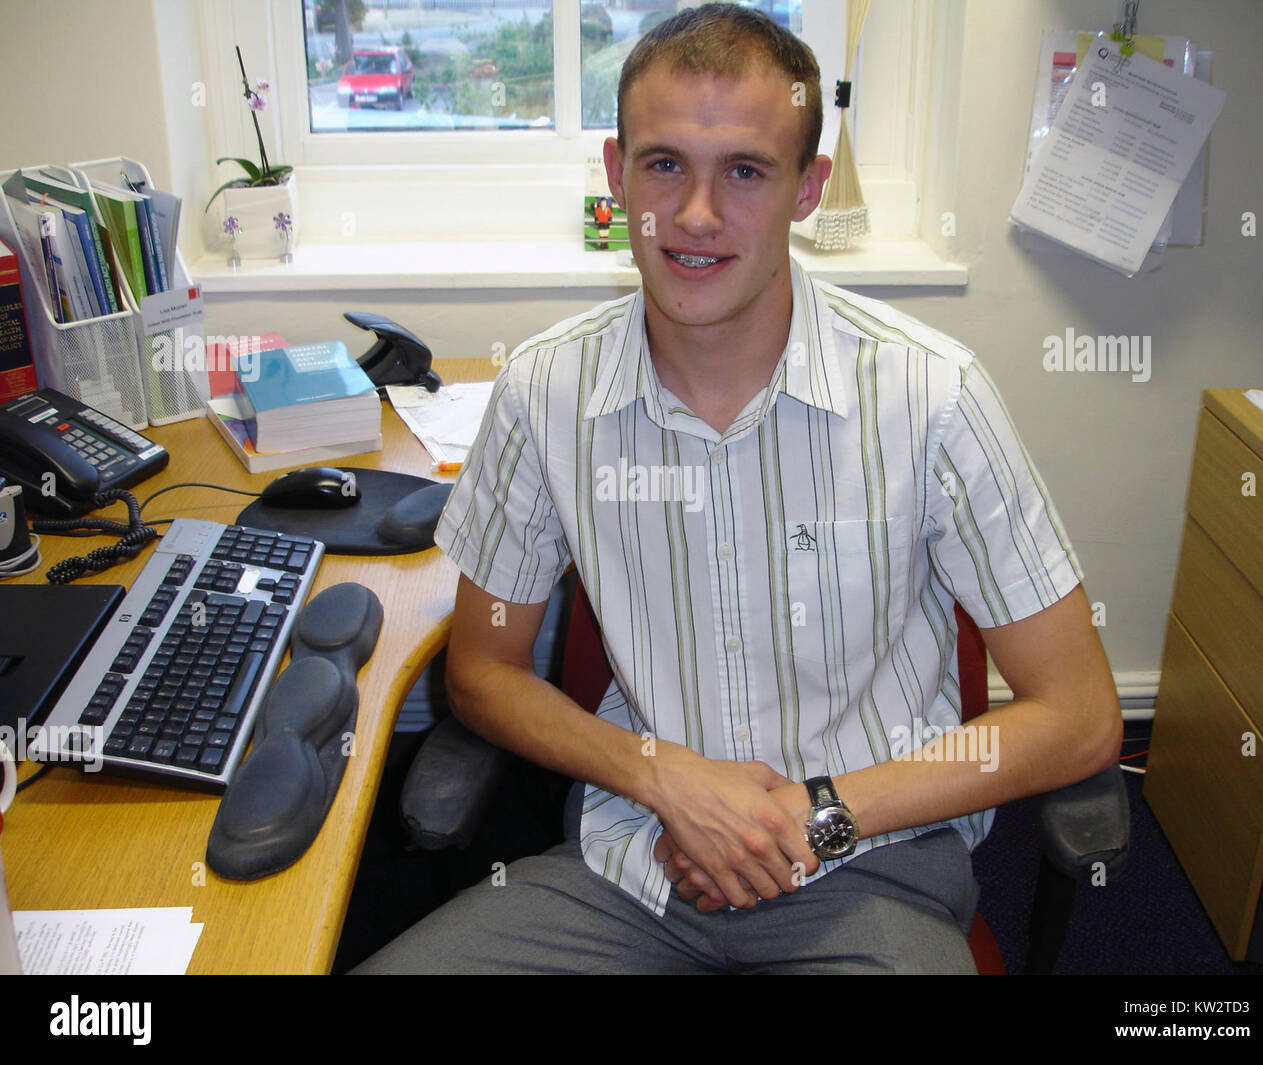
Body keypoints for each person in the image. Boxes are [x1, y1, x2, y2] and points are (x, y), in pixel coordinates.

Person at [356, 3, 1121, 975]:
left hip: (865, 872)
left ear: (808, 188)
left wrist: (811, 816)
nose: (696, 214)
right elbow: (483, 672)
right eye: (664, 163)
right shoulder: (548, 391)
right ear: (614, 174)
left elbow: (1082, 715)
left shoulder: (932, 397)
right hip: (632, 867)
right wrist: (664, 778)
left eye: (746, 172)